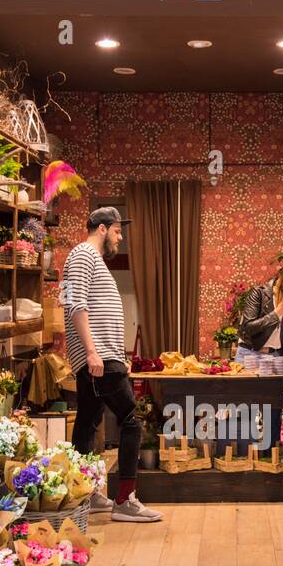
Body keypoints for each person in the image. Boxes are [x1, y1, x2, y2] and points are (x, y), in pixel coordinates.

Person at [62, 206, 162, 523]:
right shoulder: (83, 254)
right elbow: (75, 304)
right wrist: (92, 352)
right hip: (100, 358)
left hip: (104, 357)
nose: (121, 237)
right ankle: (125, 500)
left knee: (87, 425)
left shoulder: (91, 259)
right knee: (131, 421)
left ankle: (86, 493)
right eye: (118, 231)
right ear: (103, 229)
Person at [235, 268, 283, 370]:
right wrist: (277, 313)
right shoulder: (258, 294)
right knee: (246, 386)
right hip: (250, 354)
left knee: (275, 386)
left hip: (276, 357)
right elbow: (248, 327)